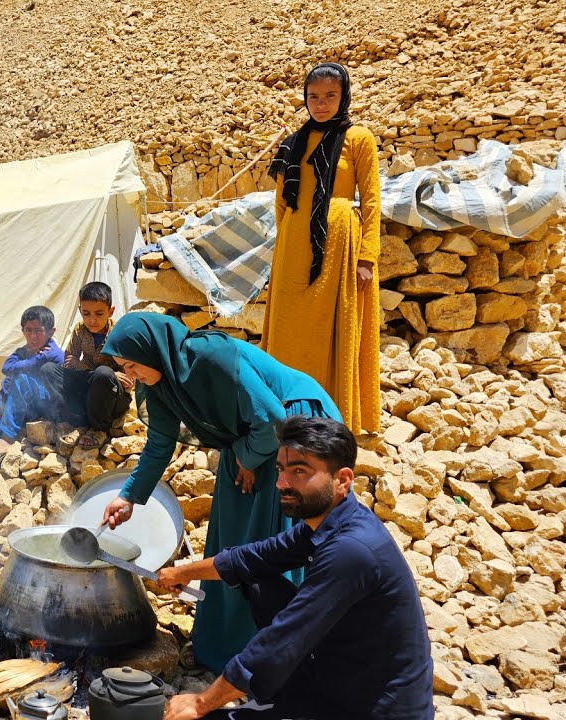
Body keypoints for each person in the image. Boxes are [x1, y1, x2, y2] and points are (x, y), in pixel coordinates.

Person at [100, 312, 340, 674]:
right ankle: (225, 647)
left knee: (268, 535)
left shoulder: (210, 357)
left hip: (294, 431)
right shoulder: (158, 382)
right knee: (232, 533)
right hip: (247, 437)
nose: (131, 377)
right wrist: (128, 496)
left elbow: (273, 417)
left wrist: (248, 457)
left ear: (152, 350)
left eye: (132, 366)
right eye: (123, 368)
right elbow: (158, 446)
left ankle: (276, 653)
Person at [157, 416, 433, 720]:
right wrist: (183, 573)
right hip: (339, 675)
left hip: (372, 708)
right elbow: (257, 556)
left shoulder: (352, 551)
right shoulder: (329, 520)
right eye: (281, 470)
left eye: (299, 471)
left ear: (342, 480)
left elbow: (284, 638)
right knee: (260, 582)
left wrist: (201, 702)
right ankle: (291, 695)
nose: (281, 483)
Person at [262, 62, 381, 435]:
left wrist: (366, 256)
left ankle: (331, 414)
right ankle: (286, 410)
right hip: (294, 244)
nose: (322, 103)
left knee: (334, 329)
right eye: (314, 96)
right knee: (288, 327)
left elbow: (373, 200)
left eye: (330, 95)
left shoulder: (359, 138)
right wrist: (284, 248)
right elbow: (282, 200)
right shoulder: (294, 141)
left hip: (340, 244)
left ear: (344, 95)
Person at [43, 282, 134, 446]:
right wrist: (85, 370)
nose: (92, 320)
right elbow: (70, 361)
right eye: (86, 313)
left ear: (110, 311)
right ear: (80, 311)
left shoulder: (119, 332)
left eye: (99, 314)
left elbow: (128, 375)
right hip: (89, 386)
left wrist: (110, 374)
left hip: (112, 396)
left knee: (104, 373)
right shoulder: (79, 329)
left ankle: (99, 429)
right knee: (48, 369)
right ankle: (79, 421)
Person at [0, 305, 64, 453]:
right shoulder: (23, 351)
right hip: (16, 403)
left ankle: (7, 437)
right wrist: (34, 358)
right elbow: (6, 368)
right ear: (23, 331)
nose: (33, 336)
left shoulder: (53, 353)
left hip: (42, 406)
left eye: (39, 330)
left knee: (21, 378)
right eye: (28, 330)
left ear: (51, 332)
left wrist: (36, 359)